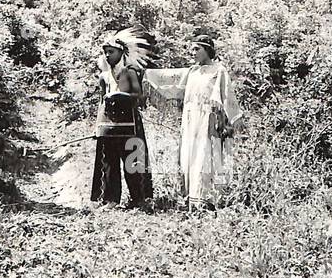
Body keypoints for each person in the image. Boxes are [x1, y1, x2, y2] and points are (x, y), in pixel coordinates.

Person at [144, 34, 244, 209]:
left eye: (197, 49)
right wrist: (145, 74)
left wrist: (232, 120)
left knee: (204, 156)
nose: (193, 53)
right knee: (188, 156)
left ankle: (206, 200)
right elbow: (169, 78)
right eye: (192, 49)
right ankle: (190, 199)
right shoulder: (192, 71)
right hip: (190, 120)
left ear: (208, 50)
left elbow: (227, 96)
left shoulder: (218, 71)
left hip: (208, 120)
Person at [89, 28, 155, 208]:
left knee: (133, 161)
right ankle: (110, 200)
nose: (108, 55)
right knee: (108, 162)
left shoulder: (130, 72)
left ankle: (139, 199)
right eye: (105, 52)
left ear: (121, 52)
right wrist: (98, 127)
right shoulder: (104, 76)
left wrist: (122, 97)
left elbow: (138, 96)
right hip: (109, 125)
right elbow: (101, 101)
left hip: (129, 124)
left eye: (111, 52)